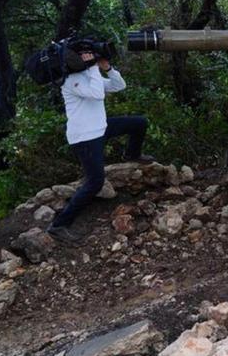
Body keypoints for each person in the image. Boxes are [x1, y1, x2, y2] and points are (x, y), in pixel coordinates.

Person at [47, 53, 151, 244]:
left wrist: (108, 69)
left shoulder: (88, 76)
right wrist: (94, 67)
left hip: (100, 127)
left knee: (139, 123)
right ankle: (59, 225)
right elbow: (97, 93)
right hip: (85, 137)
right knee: (95, 182)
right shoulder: (72, 81)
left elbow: (119, 86)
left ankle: (132, 154)